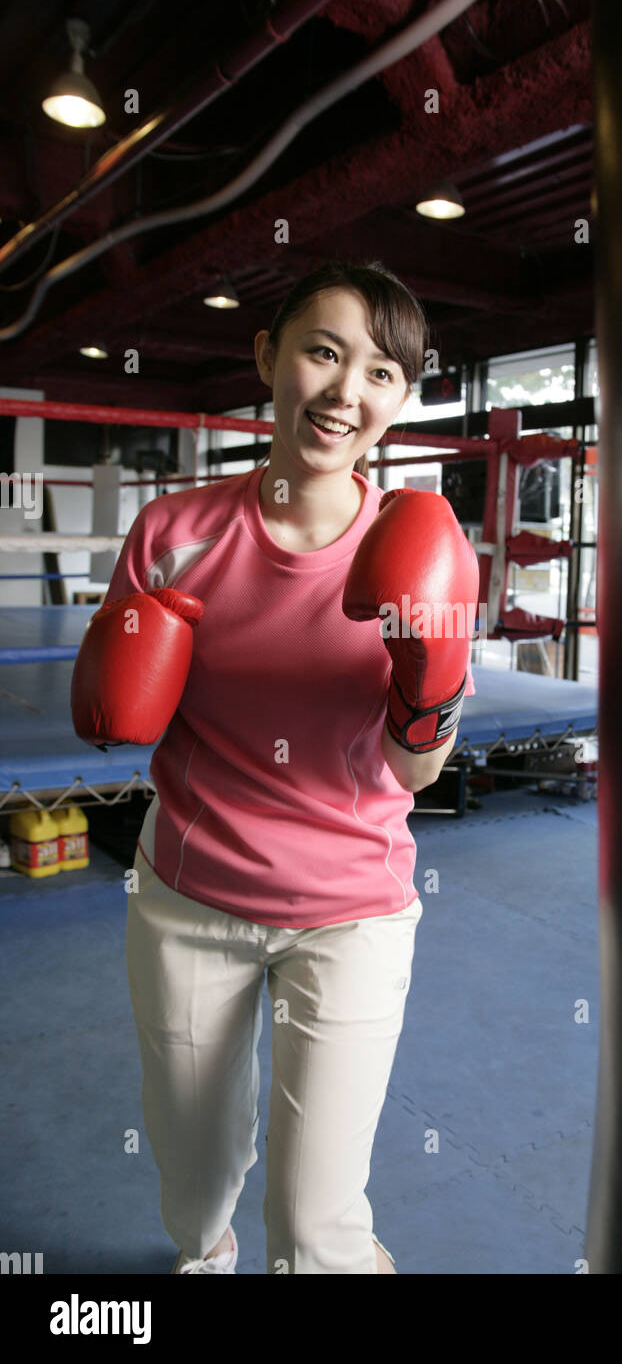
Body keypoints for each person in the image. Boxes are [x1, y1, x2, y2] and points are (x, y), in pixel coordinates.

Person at [74, 258, 478, 1273]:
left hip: (350, 909)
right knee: (194, 1182)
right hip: (189, 899)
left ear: (399, 397)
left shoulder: (424, 549)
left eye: (382, 372)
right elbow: (119, 719)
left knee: (316, 1224)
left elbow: (416, 776)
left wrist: (426, 687)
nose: (347, 392)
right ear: (269, 358)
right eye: (323, 352)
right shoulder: (174, 533)